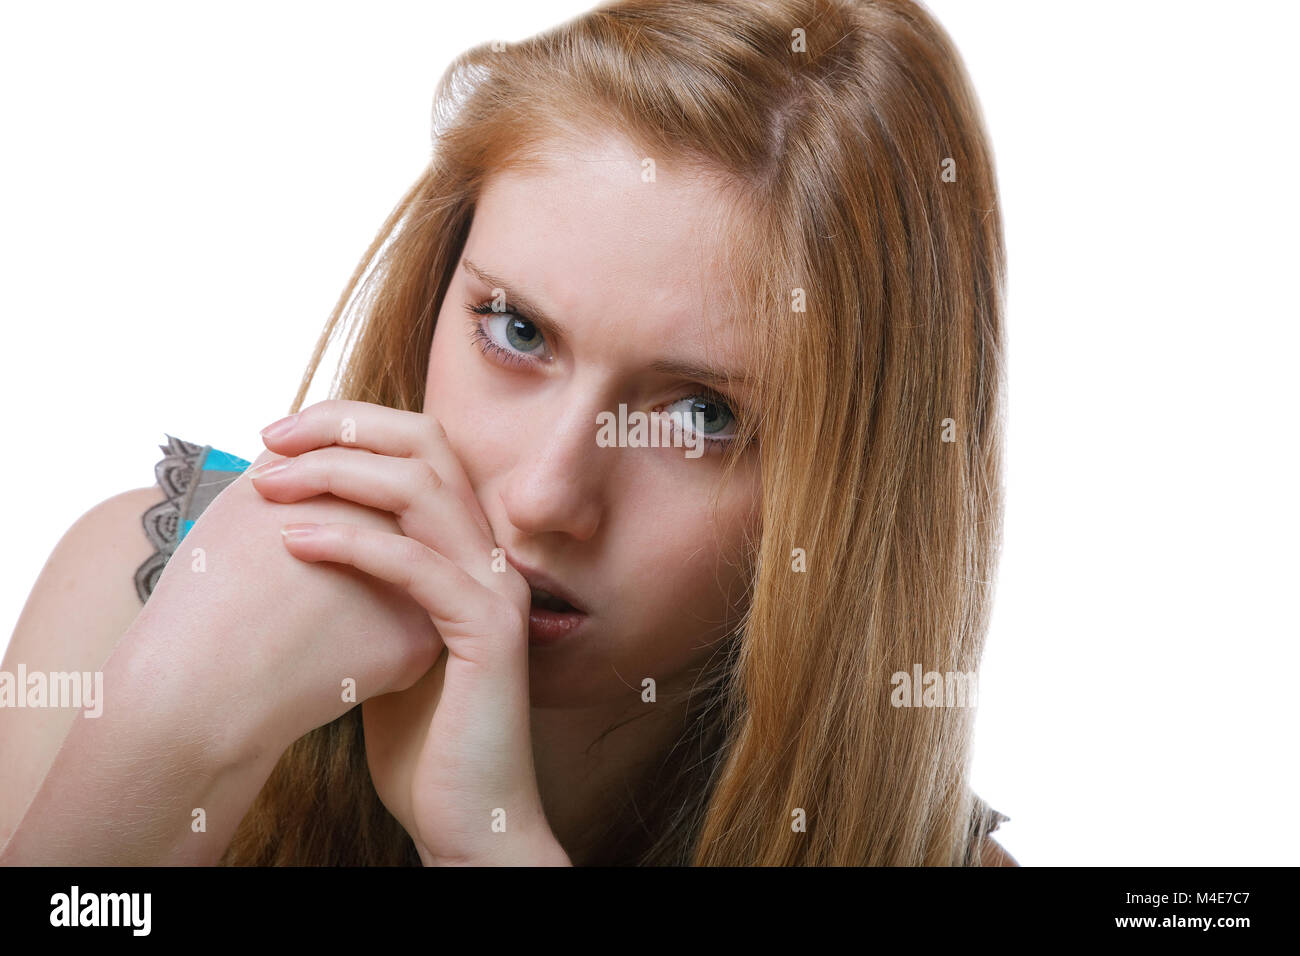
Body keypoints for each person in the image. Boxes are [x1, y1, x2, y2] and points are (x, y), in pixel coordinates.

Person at [0, 0, 1013, 866]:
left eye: (702, 414)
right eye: (517, 330)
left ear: (859, 488)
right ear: (438, 287)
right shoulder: (150, 588)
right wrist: (176, 733)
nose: (542, 496)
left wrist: (490, 846)